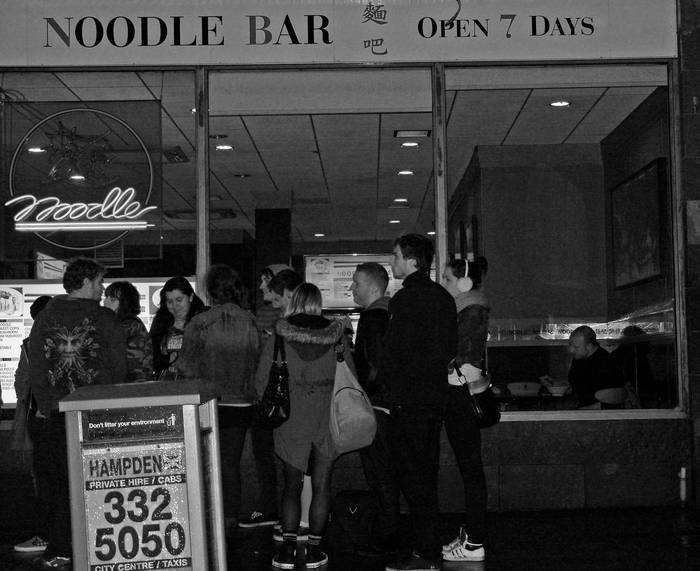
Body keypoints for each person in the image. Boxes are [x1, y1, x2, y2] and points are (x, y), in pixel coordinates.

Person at [28, 258, 126, 569]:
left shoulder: (45, 317)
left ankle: (60, 548)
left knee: (60, 485)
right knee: (99, 483)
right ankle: (101, 546)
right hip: (98, 413)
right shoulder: (105, 318)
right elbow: (119, 368)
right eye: (98, 282)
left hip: (58, 415)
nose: (101, 288)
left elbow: (36, 366)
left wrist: (47, 406)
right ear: (85, 282)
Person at [256, 283, 353, 570]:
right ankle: (314, 550)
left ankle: (286, 551)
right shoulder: (337, 336)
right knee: (322, 484)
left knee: (291, 484)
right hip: (326, 415)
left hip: (291, 415)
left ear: (295, 302)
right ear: (318, 303)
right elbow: (350, 377)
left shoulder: (280, 335)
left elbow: (261, 380)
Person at [381, 234, 458, 571]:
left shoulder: (404, 300)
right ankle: (428, 548)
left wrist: (390, 388)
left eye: (396, 256)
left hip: (408, 402)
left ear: (412, 261)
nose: (392, 262)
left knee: (413, 479)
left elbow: (393, 352)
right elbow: (449, 348)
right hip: (433, 399)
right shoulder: (443, 298)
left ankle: (425, 553)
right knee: (426, 475)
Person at [176, 264, 269, 532]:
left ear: (210, 291)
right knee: (231, 462)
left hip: (209, 400)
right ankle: (230, 516)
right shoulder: (251, 321)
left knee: (206, 461)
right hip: (242, 402)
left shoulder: (200, 322)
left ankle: (208, 514)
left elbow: (187, 366)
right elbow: (261, 363)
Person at [440, 257, 489, 563]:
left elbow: (460, 355)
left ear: (464, 282)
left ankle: (474, 543)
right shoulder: (469, 308)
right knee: (470, 469)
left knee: (471, 470)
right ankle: (472, 535)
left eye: (447, 278)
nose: (442, 283)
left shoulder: (471, 311)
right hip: (462, 394)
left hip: (461, 395)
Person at [350, 262, 401, 556]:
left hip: (377, 406)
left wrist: (363, 396)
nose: (352, 288)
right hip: (392, 405)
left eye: (356, 283)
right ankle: (391, 531)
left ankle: (388, 536)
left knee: (379, 473)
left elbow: (373, 366)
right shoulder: (393, 314)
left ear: (372, 287)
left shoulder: (373, 318)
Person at [12, 295, 52, 554]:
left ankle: (48, 535)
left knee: (45, 479)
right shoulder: (68, 340)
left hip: (42, 419)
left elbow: (21, 382)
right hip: (58, 418)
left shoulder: (30, 345)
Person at [149, 276, 207, 380]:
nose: (175, 306)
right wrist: (167, 360)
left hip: (199, 382)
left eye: (179, 300)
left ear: (190, 297)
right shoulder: (160, 322)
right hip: (167, 384)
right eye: (170, 302)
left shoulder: (205, 319)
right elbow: (151, 357)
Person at [104, 281, 153, 382]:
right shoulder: (127, 324)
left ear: (125, 303)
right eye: (106, 298)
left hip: (132, 384)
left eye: (112, 299)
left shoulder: (130, 326)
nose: (106, 302)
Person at [568, 325, 625, 408]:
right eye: (570, 345)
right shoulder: (579, 358)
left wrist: (584, 410)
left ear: (589, 346)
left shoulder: (606, 362)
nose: (571, 350)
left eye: (576, 347)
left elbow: (616, 397)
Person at [257, 264, 293, 339]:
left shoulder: (299, 313)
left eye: (266, 281)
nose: (261, 287)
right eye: (262, 281)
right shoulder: (264, 313)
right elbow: (263, 341)